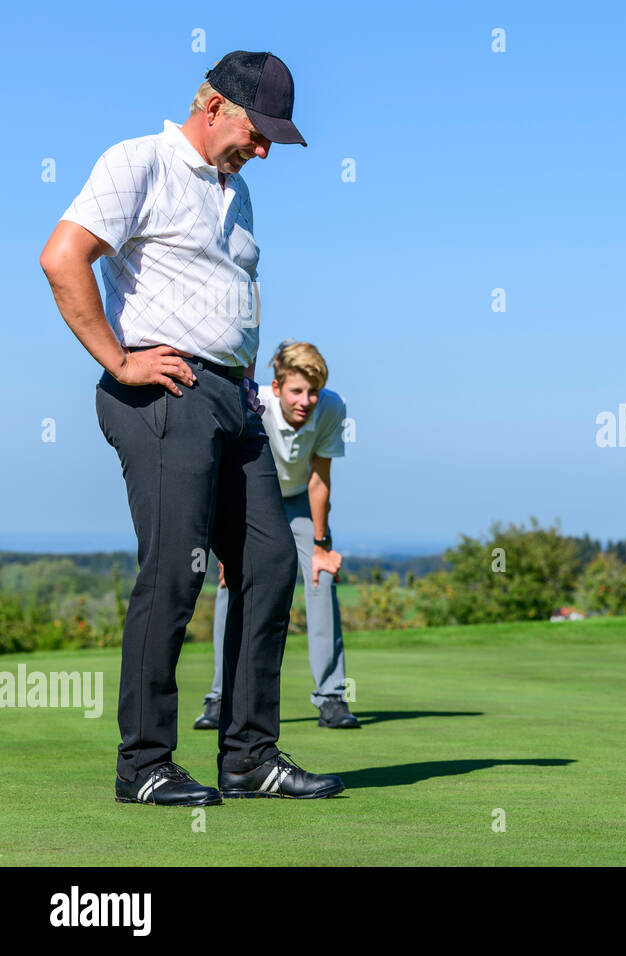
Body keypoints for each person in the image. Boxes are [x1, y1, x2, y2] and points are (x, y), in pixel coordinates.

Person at [40, 51, 344, 805]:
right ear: (213, 106)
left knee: (272, 564)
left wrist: (244, 379)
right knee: (177, 569)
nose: (265, 149)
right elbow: (62, 257)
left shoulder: (235, 193)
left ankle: (248, 758)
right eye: (257, 130)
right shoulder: (139, 161)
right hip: (164, 391)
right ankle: (143, 764)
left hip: (231, 399)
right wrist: (119, 359)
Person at [193, 340, 358, 731]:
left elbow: (319, 480)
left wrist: (321, 546)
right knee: (230, 583)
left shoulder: (332, 408)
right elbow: (227, 472)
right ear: (278, 386)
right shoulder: (254, 403)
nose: (307, 400)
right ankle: (219, 697)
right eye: (297, 391)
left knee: (322, 576)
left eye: (313, 391)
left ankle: (332, 697)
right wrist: (224, 544)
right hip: (254, 497)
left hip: (300, 499)